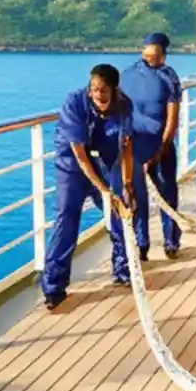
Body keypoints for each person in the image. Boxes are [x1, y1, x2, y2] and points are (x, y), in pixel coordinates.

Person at [40, 64, 138, 311]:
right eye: (94, 89)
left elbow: (126, 147)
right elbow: (80, 154)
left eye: (104, 90)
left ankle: (123, 270)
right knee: (66, 220)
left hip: (105, 162)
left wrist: (126, 184)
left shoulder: (124, 106)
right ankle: (54, 287)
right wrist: (104, 191)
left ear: (115, 90)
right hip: (72, 165)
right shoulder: (75, 102)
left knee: (120, 213)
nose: (98, 95)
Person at [120, 32, 184, 261]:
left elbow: (172, 116)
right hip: (135, 144)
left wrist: (163, 147)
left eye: (154, 56)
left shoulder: (168, 77)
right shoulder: (126, 76)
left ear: (163, 55)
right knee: (137, 195)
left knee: (166, 191)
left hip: (159, 144)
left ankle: (170, 240)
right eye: (147, 55)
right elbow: (121, 112)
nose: (149, 60)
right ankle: (142, 243)